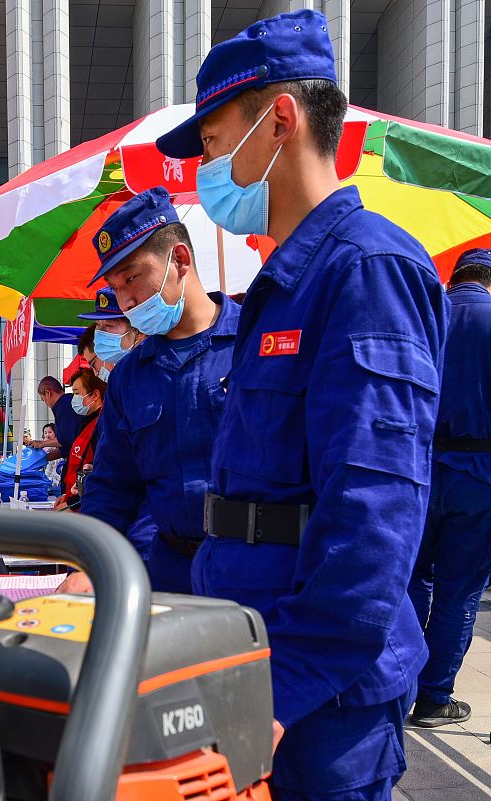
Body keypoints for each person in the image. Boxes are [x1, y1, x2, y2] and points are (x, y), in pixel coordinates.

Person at [158, 11, 447, 798]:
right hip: (249, 652)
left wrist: (280, 691)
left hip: (316, 695)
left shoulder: (367, 271)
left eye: (212, 144)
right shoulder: (281, 287)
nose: (204, 171)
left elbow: (375, 516)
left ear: (278, 121)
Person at [66, 188, 237, 595]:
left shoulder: (255, 345)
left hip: (252, 573)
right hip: (167, 575)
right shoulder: (132, 376)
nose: (125, 301)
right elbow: (113, 485)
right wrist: (91, 563)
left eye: (131, 279)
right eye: (115, 286)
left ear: (179, 259)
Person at [407, 248, 491, 728]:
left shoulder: (425, 313)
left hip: (421, 464)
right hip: (480, 474)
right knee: (460, 589)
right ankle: (436, 698)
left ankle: (403, 683)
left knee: (414, 577)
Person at [57, 368, 107, 505]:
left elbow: (98, 472)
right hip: (74, 500)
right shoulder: (86, 421)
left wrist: (71, 504)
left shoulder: (103, 425)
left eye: (77, 393)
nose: (74, 399)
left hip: (86, 505)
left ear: (95, 395)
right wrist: (66, 496)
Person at [28, 376, 89, 462]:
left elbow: (65, 439)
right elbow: (67, 445)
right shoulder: (67, 401)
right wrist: (42, 459)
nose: (46, 403)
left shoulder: (63, 405)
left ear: (48, 393)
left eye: (43, 399)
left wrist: (42, 443)